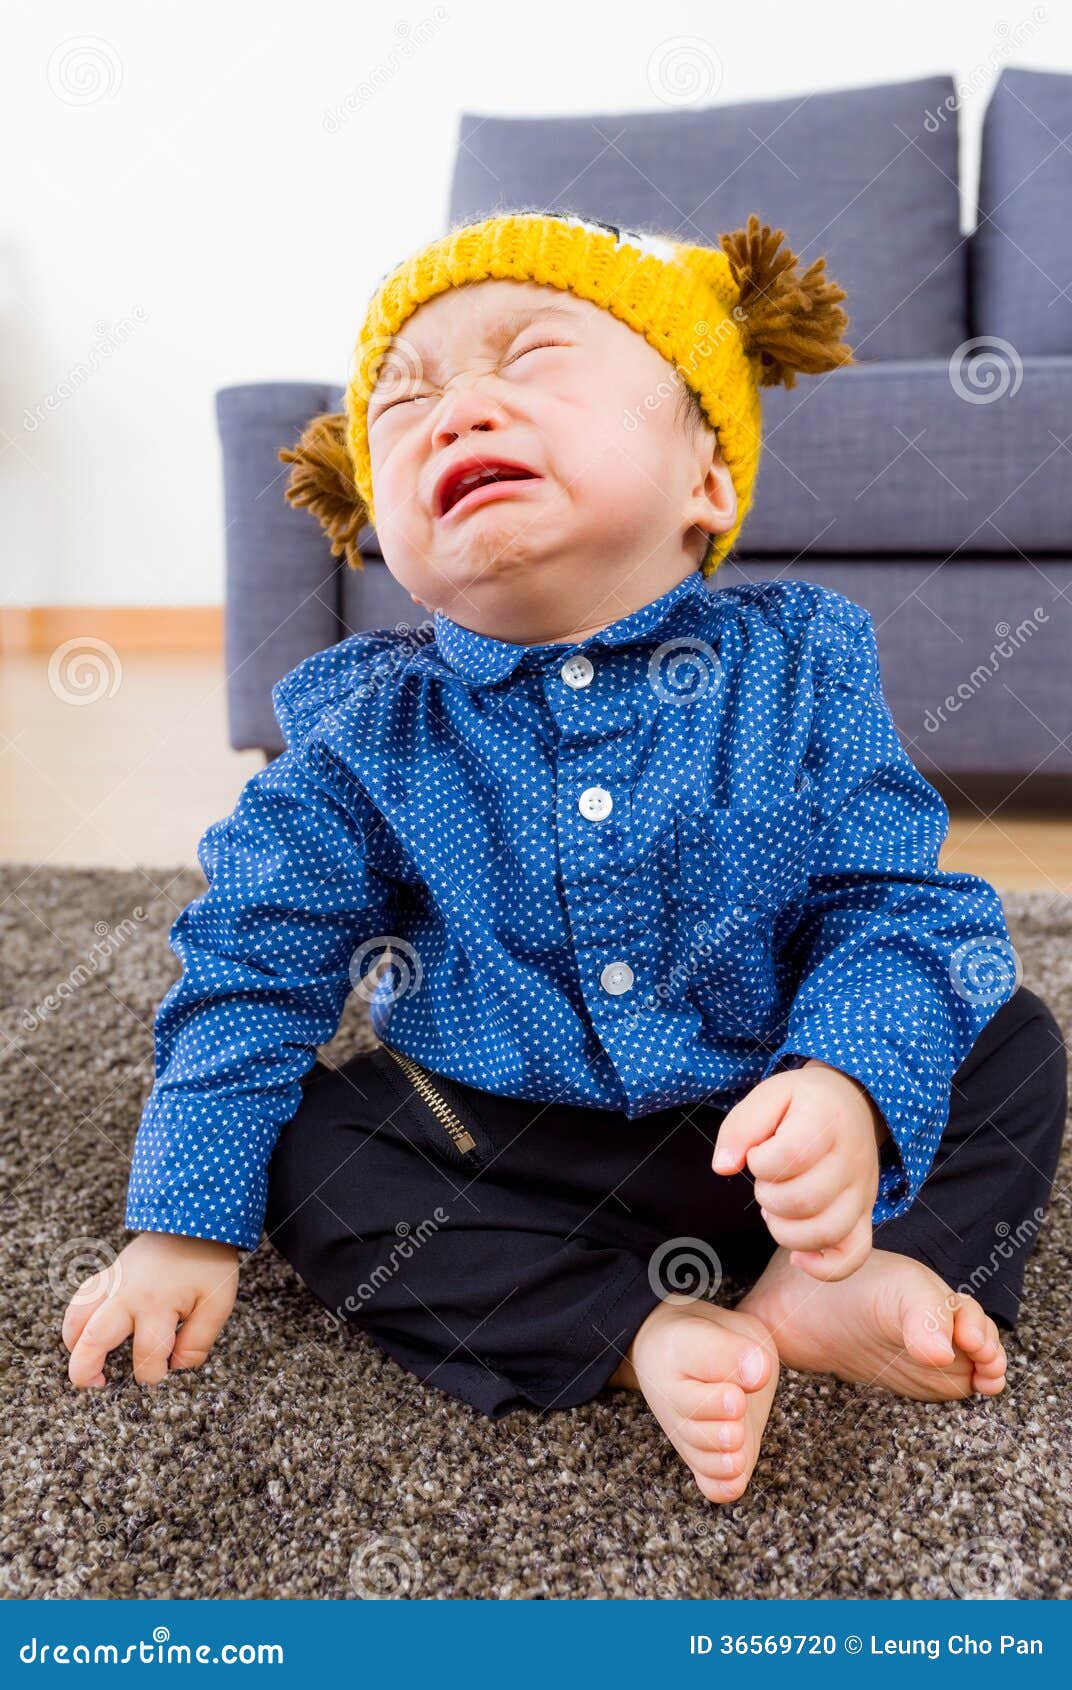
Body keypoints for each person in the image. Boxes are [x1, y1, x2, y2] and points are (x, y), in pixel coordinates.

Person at [62, 211, 1067, 1505]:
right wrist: (178, 1223)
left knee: (1003, 1027)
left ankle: (842, 1271)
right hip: (508, 1153)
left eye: (530, 357)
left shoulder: (805, 664)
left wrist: (848, 1087)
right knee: (317, 1143)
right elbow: (253, 960)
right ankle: (634, 1327)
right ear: (392, 535)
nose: (458, 410)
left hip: (776, 1132)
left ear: (707, 479)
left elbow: (888, 903)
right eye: (406, 401)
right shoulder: (367, 725)